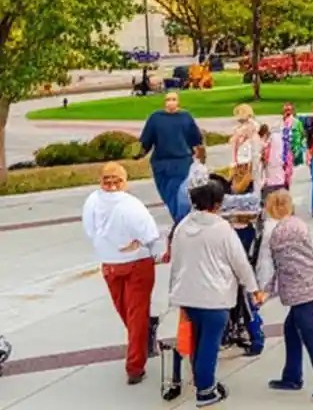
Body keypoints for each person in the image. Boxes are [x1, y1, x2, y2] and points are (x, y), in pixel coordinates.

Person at [169, 179, 262, 407]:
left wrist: (174, 292)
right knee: (209, 346)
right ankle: (206, 391)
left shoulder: (182, 227)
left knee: (198, 342)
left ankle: (201, 381)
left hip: (188, 295)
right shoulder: (222, 229)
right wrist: (254, 289)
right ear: (217, 204)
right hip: (215, 297)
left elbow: (176, 263)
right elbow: (240, 263)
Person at [81, 162, 164, 385]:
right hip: (131, 262)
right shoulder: (131, 205)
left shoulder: (95, 202)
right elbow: (150, 234)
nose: (110, 184)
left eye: (112, 180)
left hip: (119, 263)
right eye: (108, 179)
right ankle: (142, 340)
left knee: (128, 313)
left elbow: (90, 231)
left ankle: (135, 364)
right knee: (133, 314)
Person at [258, 190, 313, 400]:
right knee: (291, 329)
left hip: (298, 291)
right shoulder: (300, 224)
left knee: (308, 333)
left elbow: (276, 266)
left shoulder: (277, 234)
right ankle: (292, 376)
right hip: (310, 284)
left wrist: (265, 291)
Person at [139, 92, 204, 223]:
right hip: (161, 164)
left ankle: (181, 222)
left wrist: (201, 160)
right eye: (168, 99)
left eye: (173, 99)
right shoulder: (155, 118)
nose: (171, 102)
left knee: (179, 195)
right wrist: (138, 153)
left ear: (178, 102)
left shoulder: (185, 117)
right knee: (168, 195)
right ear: (164, 102)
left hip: (182, 162)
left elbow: (196, 140)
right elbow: (146, 141)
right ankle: (181, 222)